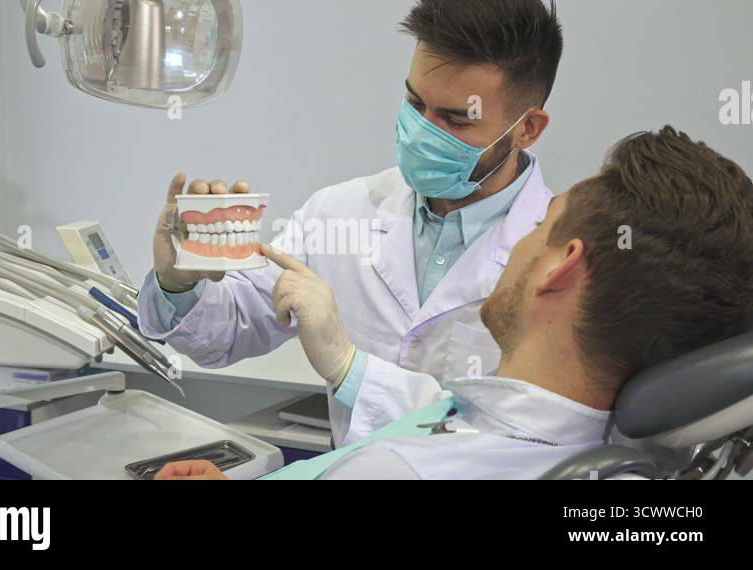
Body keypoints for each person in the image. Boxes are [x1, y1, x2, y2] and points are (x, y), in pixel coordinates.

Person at [155, 126, 753, 480]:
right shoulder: (611, 448)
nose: (519, 240)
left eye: (540, 224)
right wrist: (344, 362)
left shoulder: (393, 472)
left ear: (562, 265)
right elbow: (455, 419)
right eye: (418, 105)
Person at [140, 0, 564, 444]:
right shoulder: (340, 212)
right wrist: (179, 283)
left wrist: (349, 366)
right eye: (415, 103)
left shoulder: (563, 260)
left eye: (455, 120)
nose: (423, 131)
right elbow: (227, 334)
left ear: (527, 128)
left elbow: (527, 438)